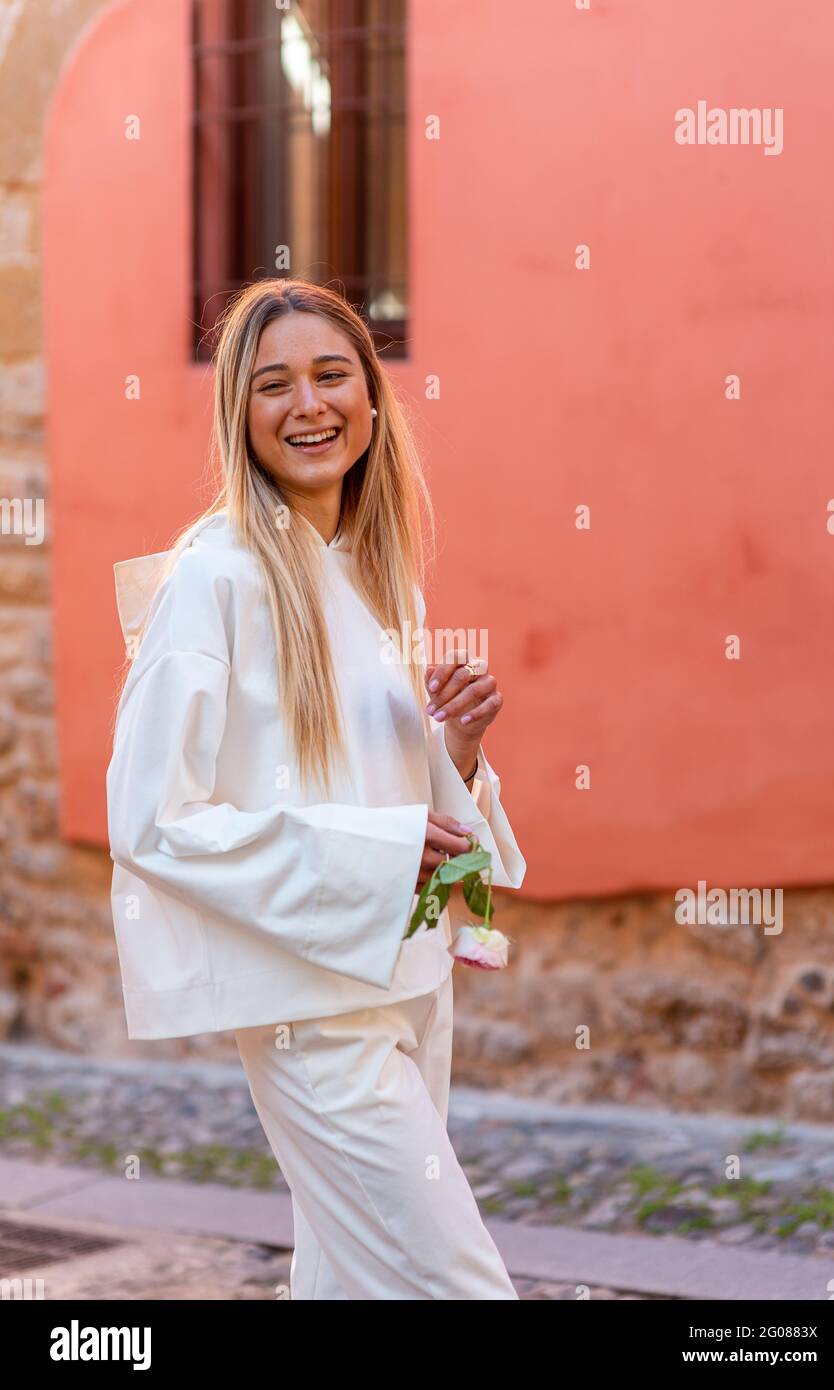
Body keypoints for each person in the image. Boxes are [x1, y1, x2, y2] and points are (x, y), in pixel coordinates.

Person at [106, 278, 527, 1299]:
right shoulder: (213, 580)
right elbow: (151, 818)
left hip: (408, 987)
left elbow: (390, 787)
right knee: (458, 1284)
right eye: (274, 384)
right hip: (312, 1013)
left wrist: (458, 753)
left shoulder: (384, 577)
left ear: (372, 402)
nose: (310, 404)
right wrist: (376, 854)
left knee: (356, 1283)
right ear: (238, 415)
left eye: (332, 375)